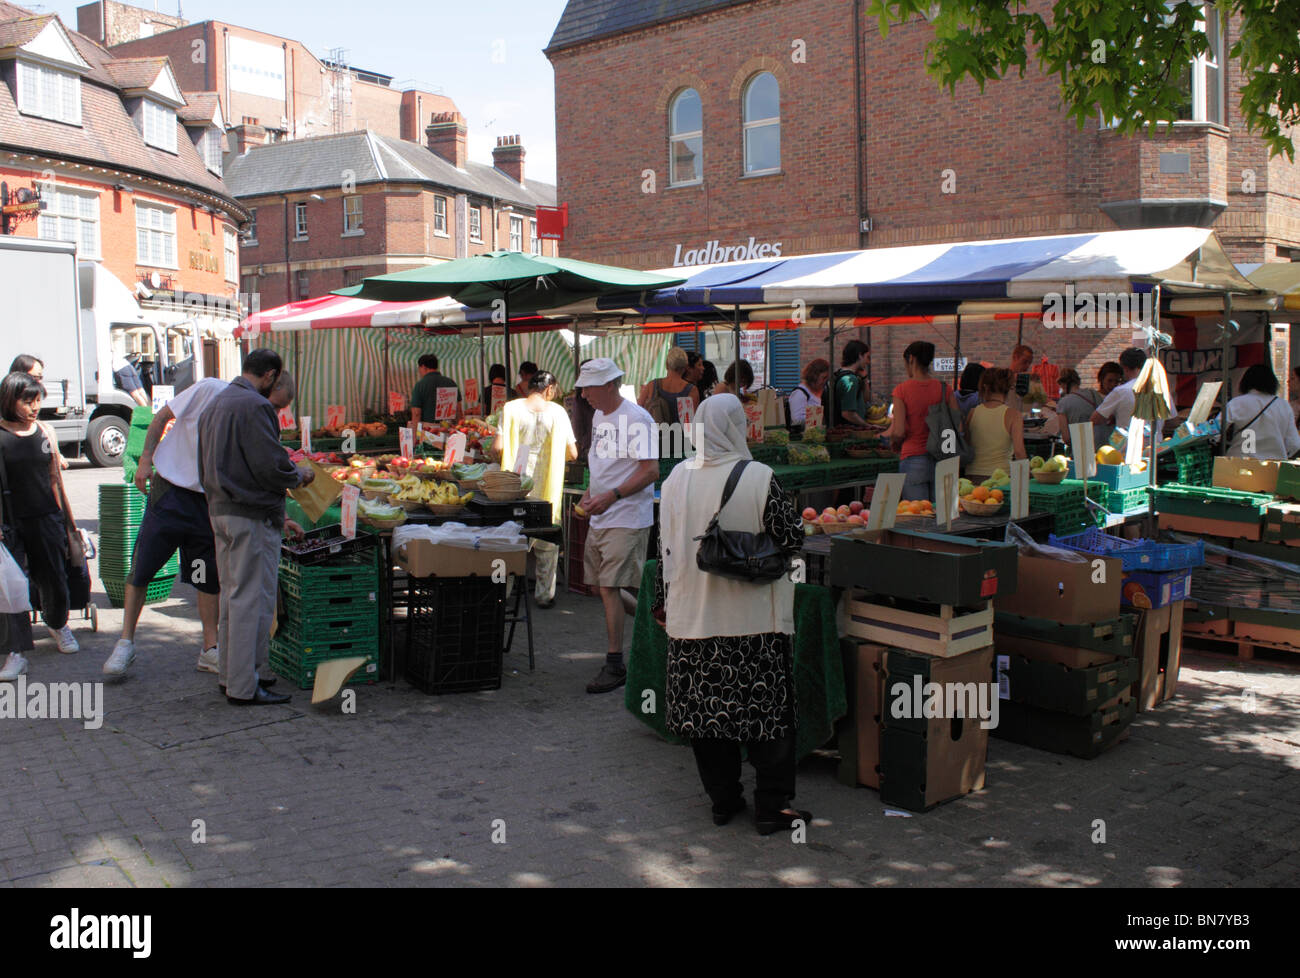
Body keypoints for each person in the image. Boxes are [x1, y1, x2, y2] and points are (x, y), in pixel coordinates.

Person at [654, 393, 809, 836]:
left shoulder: (674, 479)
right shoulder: (759, 476)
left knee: (708, 720)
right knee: (767, 718)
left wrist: (662, 605)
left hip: (692, 622)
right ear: (738, 427)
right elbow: (791, 536)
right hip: (753, 621)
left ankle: (723, 801)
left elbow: (664, 552)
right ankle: (771, 807)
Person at [101, 372, 298, 678]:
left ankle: (210, 648)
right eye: (276, 404)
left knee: (205, 574)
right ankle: (126, 641)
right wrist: (145, 460)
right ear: (267, 384)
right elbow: (162, 417)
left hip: (207, 503)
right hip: (170, 491)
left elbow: (260, 474)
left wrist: (281, 515)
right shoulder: (210, 389)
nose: (274, 412)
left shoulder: (256, 420)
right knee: (144, 566)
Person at [197, 350, 314, 706]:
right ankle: (245, 687)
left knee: (234, 599)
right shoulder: (255, 406)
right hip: (249, 514)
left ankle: (233, 676)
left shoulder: (216, 403)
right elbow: (269, 467)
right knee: (251, 600)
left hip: (220, 511)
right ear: (270, 375)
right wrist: (300, 476)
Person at [576, 358, 659, 694]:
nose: (583, 395)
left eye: (589, 387)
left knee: (609, 587)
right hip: (602, 512)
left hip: (626, 516)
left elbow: (650, 471)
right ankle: (656, 623)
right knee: (598, 587)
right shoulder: (600, 415)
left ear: (610, 385)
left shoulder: (637, 418)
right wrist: (589, 494)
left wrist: (611, 496)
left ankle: (615, 664)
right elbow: (605, 465)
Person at [0, 372, 81, 682]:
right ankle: (16, 651)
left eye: (37, 401)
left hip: (46, 516)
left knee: (54, 577)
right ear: (10, 400)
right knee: (13, 586)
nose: (34, 407)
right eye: (27, 401)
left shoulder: (44, 432)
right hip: (10, 523)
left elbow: (53, 478)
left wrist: (66, 519)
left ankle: (58, 624)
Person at [498, 371, 578, 608]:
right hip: (547, 488)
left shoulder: (510, 408)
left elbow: (498, 447)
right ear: (550, 389)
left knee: (510, 541)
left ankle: (504, 591)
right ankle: (544, 595)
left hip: (514, 488)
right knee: (547, 543)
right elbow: (573, 453)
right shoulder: (559, 413)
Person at [886, 340, 961, 502]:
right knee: (943, 516)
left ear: (911, 359)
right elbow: (958, 425)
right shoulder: (944, 388)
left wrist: (894, 443)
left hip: (913, 459)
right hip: (943, 458)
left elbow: (899, 431)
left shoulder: (901, 390)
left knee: (918, 517)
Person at [1090, 347, 1174, 438]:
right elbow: (1173, 421)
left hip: (1128, 448)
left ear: (1124, 368)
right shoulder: (1161, 390)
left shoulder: (1121, 391)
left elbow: (1095, 419)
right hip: (1156, 448)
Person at [1225, 365, 1300, 460]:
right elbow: (1294, 444)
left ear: (1245, 382)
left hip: (1240, 463)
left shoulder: (1236, 403)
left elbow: (1216, 432)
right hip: (1273, 467)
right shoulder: (1284, 405)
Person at [966, 368, 1027, 482]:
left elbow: (967, 445)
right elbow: (1019, 452)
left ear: (984, 387)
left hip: (973, 475)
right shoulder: (1013, 415)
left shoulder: (972, 413)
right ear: (1008, 388)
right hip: (1001, 477)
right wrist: (1027, 476)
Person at [9, 355, 68, 470]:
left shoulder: (44, 429)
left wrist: (55, 456)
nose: (35, 407)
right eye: (35, 377)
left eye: (40, 377)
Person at [638, 346, 700, 425]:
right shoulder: (691, 390)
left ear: (667, 365)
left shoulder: (652, 385)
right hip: (680, 436)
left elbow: (638, 412)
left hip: (656, 435)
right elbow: (690, 423)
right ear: (685, 367)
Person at [409, 353, 461, 427]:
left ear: (423, 367)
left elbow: (416, 413)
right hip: (448, 429)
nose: (419, 371)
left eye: (419, 368)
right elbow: (458, 410)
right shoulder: (451, 382)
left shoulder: (420, 385)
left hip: (428, 431)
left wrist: (414, 436)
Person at [830, 341, 871, 428]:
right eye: (867, 357)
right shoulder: (850, 380)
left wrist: (865, 379)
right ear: (860, 355)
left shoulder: (839, 375)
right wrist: (867, 426)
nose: (868, 362)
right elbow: (847, 413)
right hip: (850, 431)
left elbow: (865, 399)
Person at [1055, 369, 1101, 446]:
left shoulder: (1063, 403)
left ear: (1064, 384)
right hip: (1100, 445)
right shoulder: (1093, 394)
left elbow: (1066, 438)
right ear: (1078, 381)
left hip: (1081, 448)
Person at [787, 359, 830, 426]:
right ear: (814, 376)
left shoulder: (820, 392)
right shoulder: (800, 393)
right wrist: (817, 417)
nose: (825, 382)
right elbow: (797, 420)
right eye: (823, 378)